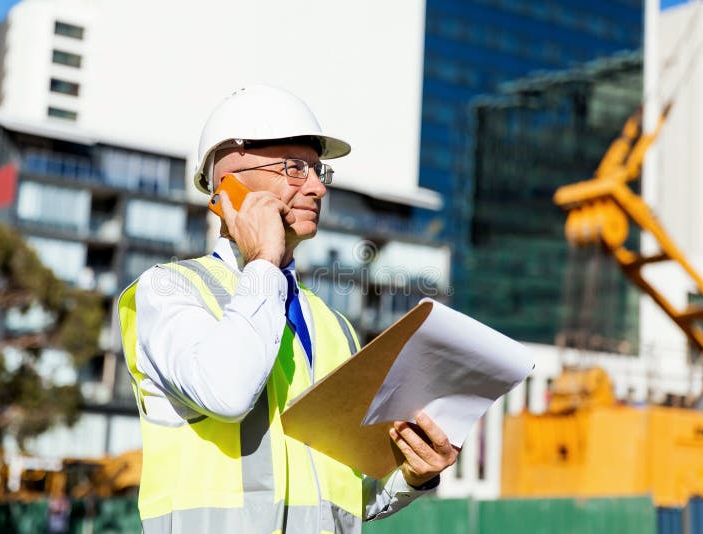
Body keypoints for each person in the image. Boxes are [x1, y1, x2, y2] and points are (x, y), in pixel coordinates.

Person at [118, 85, 458, 533]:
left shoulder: (333, 326)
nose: (317, 187)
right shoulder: (169, 291)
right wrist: (263, 260)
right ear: (231, 181)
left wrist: (413, 476)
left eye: (319, 172)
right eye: (294, 168)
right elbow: (227, 392)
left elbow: (343, 495)